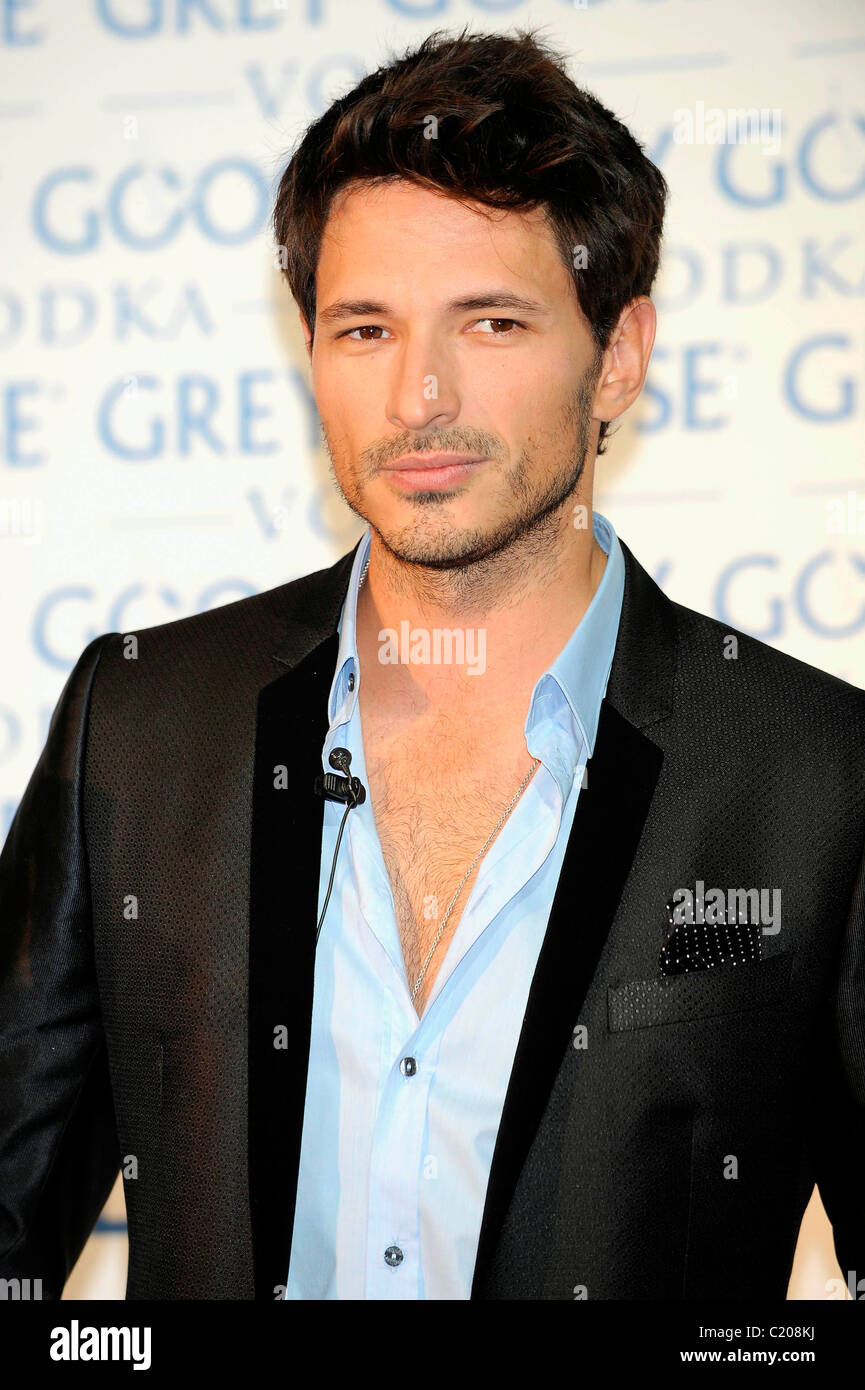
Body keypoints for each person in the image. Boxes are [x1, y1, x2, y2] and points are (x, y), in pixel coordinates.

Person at [1, 26, 863, 1302]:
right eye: (364, 329)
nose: (418, 395)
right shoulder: (136, 723)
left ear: (617, 354)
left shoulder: (814, 776)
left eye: (492, 321)